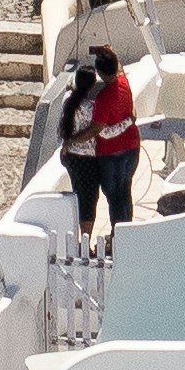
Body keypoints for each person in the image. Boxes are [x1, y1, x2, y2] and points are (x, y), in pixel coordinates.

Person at [66, 45, 143, 238]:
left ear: (100, 73)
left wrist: (71, 142)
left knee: (115, 197)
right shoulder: (124, 83)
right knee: (125, 192)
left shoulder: (102, 99)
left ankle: (118, 237)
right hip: (132, 148)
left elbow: (95, 130)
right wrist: (111, 52)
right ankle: (125, 235)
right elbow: (120, 69)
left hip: (112, 155)